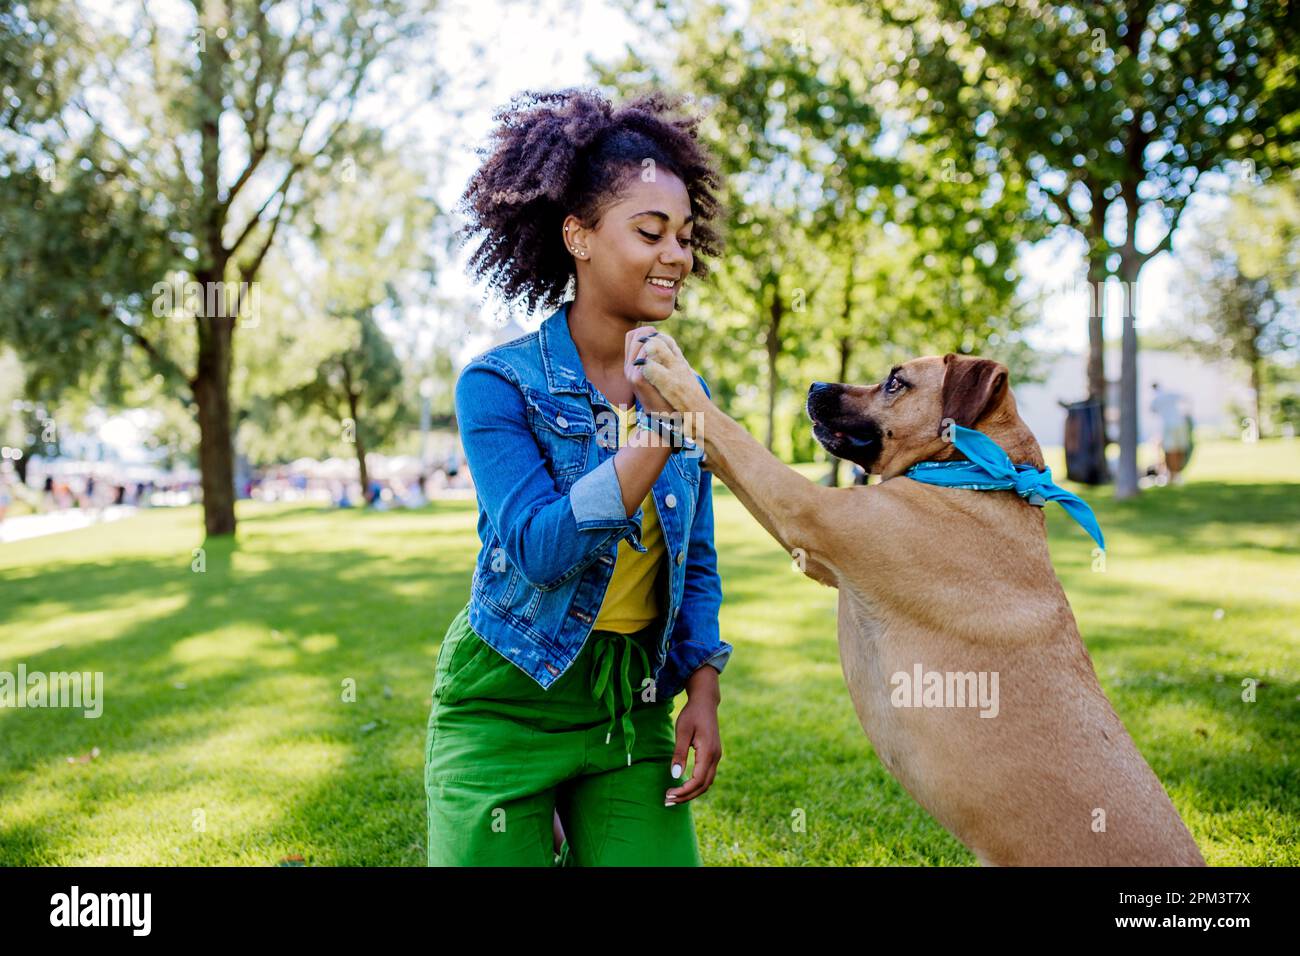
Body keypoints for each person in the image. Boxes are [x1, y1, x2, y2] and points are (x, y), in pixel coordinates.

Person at [425, 87, 731, 867]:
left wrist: (701, 685)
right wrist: (659, 433)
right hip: (505, 700)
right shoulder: (498, 385)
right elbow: (536, 547)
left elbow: (694, 557)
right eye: (650, 232)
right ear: (579, 236)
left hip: (625, 712)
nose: (677, 256)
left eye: (685, 237)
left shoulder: (680, 384)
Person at [1150, 382, 1191, 485]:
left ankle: (1174, 474)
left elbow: (1153, 411)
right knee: (1178, 449)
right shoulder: (1169, 393)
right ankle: (1175, 474)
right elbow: (1185, 399)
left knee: (1171, 450)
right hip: (1180, 424)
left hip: (1169, 426)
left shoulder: (1156, 399)